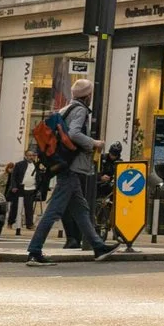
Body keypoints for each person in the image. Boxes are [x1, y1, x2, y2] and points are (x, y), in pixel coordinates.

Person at [25, 79, 115, 264]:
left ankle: (98, 247)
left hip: (65, 165)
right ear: (88, 95)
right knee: (53, 211)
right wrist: (94, 143)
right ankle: (34, 251)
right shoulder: (80, 110)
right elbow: (74, 134)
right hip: (71, 167)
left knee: (81, 209)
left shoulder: (65, 109)